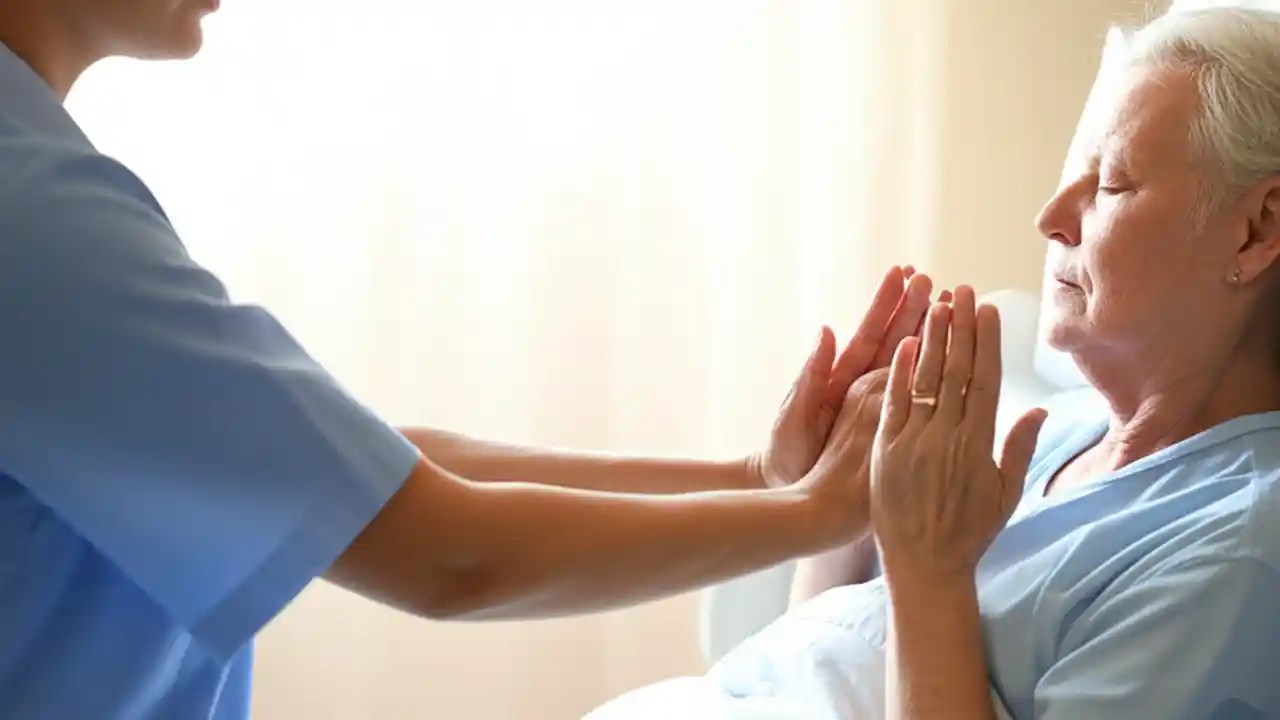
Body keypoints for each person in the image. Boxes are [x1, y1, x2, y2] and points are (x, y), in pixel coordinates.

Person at [0, 2, 963, 718]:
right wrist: (816, 513)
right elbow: (447, 553)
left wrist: (759, 482)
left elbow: (365, 470)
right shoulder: (34, 213)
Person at [592, 6, 1280, 720]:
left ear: (1256, 230)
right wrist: (853, 506)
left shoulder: (1235, 557)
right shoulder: (1052, 434)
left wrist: (929, 570)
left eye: (1110, 182)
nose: (1051, 215)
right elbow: (812, 664)